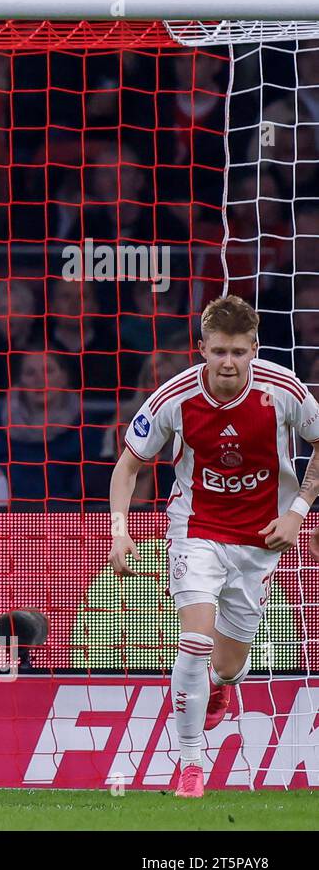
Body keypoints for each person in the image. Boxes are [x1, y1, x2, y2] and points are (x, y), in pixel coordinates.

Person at [108, 295, 319, 800]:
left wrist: (299, 513)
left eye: (239, 352)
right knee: (194, 641)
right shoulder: (172, 399)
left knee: (227, 664)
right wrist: (119, 530)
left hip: (261, 540)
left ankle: (223, 683)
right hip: (195, 529)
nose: (229, 362)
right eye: (219, 351)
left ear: (255, 350)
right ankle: (189, 765)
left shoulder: (284, 390)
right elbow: (127, 466)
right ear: (201, 348)